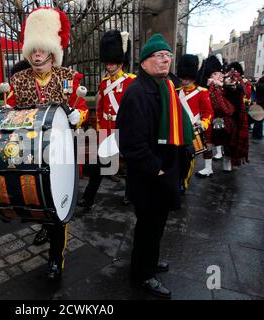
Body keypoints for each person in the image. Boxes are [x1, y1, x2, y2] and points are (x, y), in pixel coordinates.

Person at [6, 7, 89, 280]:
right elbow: (8, 115)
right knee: (38, 201)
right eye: (33, 50)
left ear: (53, 51)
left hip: (61, 155)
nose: (37, 55)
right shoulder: (17, 81)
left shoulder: (70, 79)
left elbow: (82, 108)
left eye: (42, 49)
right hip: (31, 155)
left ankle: (56, 261)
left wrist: (80, 115)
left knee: (59, 210)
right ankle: (44, 224)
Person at [116, 34, 194, 299]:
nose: (165, 59)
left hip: (165, 169)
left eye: (168, 55)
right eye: (158, 56)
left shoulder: (166, 86)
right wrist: (157, 169)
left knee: (158, 224)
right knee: (148, 227)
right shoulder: (137, 93)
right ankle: (142, 274)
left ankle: (151, 261)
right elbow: (131, 144)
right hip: (150, 174)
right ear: (144, 62)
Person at [77, 29, 136, 210]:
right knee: (98, 166)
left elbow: (134, 109)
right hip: (108, 130)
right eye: (108, 62)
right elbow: (101, 107)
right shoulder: (103, 83)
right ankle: (88, 198)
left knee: (132, 165)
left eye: (112, 62)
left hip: (126, 130)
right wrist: (101, 127)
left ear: (120, 62)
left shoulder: (131, 81)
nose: (109, 66)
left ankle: (130, 194)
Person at [176, 54, 213, 189]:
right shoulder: (176, 91)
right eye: (183, 77)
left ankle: (183, 183)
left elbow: (208, 113)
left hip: (193, 131)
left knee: (188, 159)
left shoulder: (202, 92)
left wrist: (203, 124)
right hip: (177, 130)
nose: (184, 81)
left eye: (187, 78)